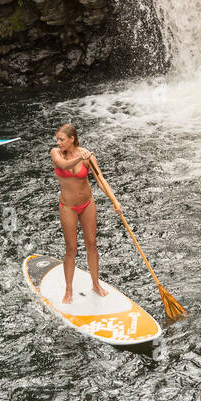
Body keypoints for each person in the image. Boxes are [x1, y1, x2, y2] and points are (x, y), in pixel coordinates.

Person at [50, 124, 123, 305]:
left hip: (87, 203)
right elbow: (63, 164)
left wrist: (115, 201)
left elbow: (101, 180)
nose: (58, 143)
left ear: (72, 139)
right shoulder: (56, 153)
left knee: (92, 244)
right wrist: (79, 159)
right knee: (71, 249)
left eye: (61, 139)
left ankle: (96, 284)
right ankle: (68, 290)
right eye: (57, 140)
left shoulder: (88, 156)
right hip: (67, 207)